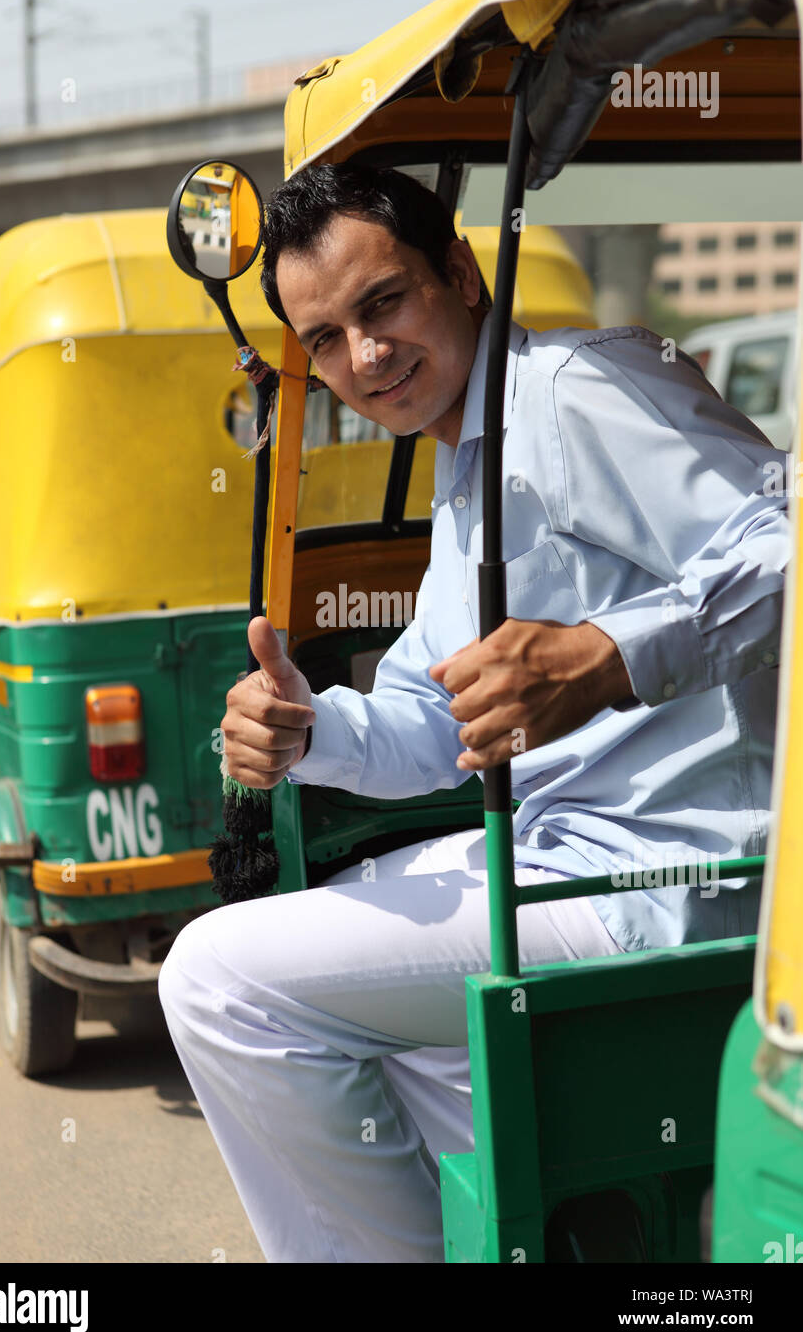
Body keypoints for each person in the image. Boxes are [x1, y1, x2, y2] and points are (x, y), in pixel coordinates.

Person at [158, 165, 789, 1263]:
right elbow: (426, 714)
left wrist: (607, 657)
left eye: (382, 303)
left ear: (457, 271)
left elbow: (780, 538)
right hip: (563, 857)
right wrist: (307, 728)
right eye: (323, 338)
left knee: (218, 979)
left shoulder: (569, 392)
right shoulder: (469, 467)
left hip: (672, 878)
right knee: (354, 943)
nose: (362, 357)